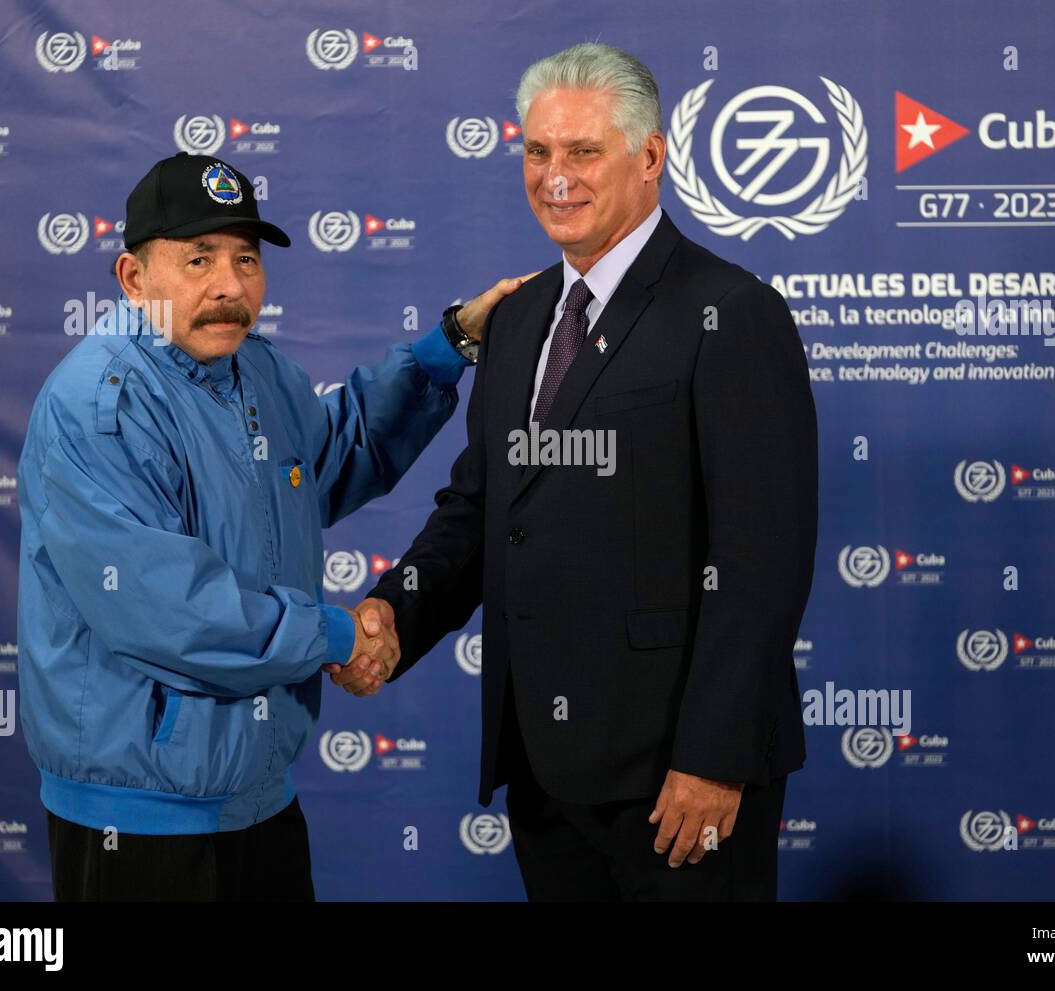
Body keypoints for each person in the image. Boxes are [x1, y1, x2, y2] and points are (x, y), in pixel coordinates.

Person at [330, 43, 819, 901]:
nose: (556, 176)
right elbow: (483, 507)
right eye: (538, 151)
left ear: (651, 158)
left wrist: (712, 757)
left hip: (676, 779)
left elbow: (761, 564)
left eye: (583, 152)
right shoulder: (514, 322)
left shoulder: (732, 313)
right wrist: (397, 611)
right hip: (545, 769)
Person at [17, 152, 527, 901]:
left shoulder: (257, 372)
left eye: (246, 259)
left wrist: (446, 346)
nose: (229, 286)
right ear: (133, 278)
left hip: (261, 801)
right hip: (142, 827)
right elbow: (171, 611)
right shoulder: (99, 404)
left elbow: (341, 453)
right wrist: (341, 635)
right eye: (198, 259)